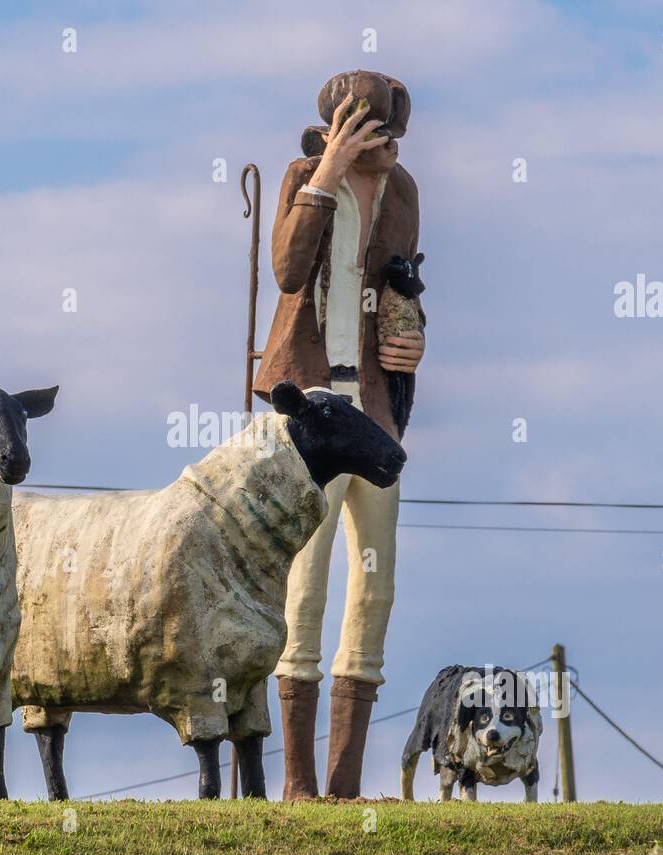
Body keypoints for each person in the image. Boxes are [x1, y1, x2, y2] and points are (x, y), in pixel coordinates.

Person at [252, 70, 425, 799]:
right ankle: (297, 783)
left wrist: (415, 338)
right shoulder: (304, 174)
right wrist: (325, 171)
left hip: (376, 410)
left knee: (375, 585)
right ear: (340, 130)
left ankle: (345, 784)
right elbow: (290, 271)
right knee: (304, 585)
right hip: (310, 408)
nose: (387, 148)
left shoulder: (405, 192)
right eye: (373, 134)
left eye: (393, 135)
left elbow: (401, 284)